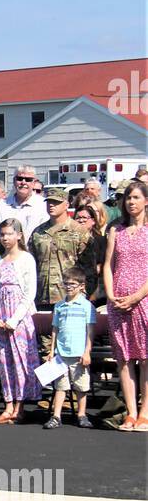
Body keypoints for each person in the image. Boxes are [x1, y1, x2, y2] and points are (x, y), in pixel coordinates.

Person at [103, 179, 148, 430]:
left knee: (145, 357)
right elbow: (109, 265)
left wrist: (137, 296)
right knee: (124, 358)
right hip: (118, 301)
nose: (131, 202)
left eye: (136, 197)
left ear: (146, 201)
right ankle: (130, 412)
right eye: (128, 198)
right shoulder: (116, 231)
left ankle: (145, 412)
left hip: (143, 300)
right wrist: (111, 295)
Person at [29, 186, 95, 358]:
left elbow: (89, 269)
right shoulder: (38, 233)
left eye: (56, 203)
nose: (51, 206)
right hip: (43, 296)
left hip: (70, 299)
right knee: (45, 347)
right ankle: (50, 384)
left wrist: (83, 296)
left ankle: (68, 385)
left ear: (66, 205)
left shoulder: (79, 232)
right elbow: (30, 265)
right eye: (49, 202)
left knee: (70, 346)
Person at [0, 218, 41, 423]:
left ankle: (20, 405)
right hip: (1, 315)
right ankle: (8, 405)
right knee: (4, 361)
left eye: (10, 233)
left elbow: (29, 293)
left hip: (19, 317)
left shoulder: (26, 259)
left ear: (19, 235)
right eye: (3, 234)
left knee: (21, 359)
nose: (6, 238)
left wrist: (14, 319)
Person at [44, 267, 95, 429]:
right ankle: (56, 416)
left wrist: (87, 351)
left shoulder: (86, 306)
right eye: (66, 284)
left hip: (79, 353)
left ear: (81, 285)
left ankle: (82, 414)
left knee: (81, 386)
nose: (68, 287)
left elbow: (90, 331)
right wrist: (52, 350)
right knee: (60, 386)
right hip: (61, 353)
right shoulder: (59, 306)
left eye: (72, 284)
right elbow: (55, 329)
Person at [0, 166, 47, 241]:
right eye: (19, 179)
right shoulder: (0, 206)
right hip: (4, 252)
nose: (23, 182)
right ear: (14, 181)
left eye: (28, 179)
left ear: (34, 183)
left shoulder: (43, 205)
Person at [72, 199, 108, 303]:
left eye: (84, 218)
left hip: (97, 288)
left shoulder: (101, 240)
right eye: (78, 218)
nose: (81, 220)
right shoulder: (70, 240)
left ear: (93, 220)